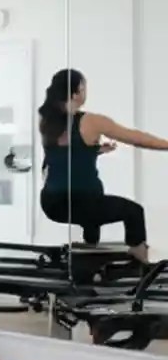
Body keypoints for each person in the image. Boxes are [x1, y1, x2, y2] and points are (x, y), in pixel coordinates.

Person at [38, 68, 168, 263]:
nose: (85, 92)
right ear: (76, 93)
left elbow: (61, 153)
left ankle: (89, 258)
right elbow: (136, 138)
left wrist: (94, 150)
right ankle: (141, 262)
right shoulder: (91, 121)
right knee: (134, 212)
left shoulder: (47, 120)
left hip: (51, 204)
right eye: (83, 87)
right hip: (80, 203)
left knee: (93, 211)